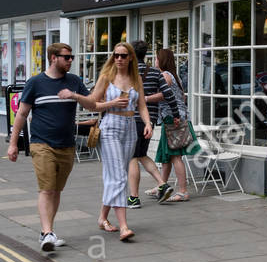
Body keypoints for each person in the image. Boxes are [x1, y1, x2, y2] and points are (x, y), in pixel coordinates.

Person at [62, 41, 152, 242]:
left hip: (130, 127)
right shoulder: (106, 77)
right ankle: (124, 227)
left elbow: (142, 105)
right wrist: (111, 103)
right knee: (120, 176)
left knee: (115, 175)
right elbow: (92, 104)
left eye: (123, 55)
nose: (119, 59)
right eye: (116, 55)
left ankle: (103, 217)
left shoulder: (136, 78)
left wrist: (148, 123)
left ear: (130, 58)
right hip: (110, 125)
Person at [8, 42, 88, 252]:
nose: (71, 60)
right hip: (41, 143)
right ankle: (46, 232)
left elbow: (90, 104)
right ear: (54, 58)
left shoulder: (74, 81)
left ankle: (48, 232)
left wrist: (74, 95)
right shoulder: (36, 82)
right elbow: (22, 114)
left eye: (71, 57)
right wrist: (14, 143)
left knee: (57, 190)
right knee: (47, 188)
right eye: (67, 57)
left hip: (67, 145)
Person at [127, 39, 172, 207]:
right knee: (141, 155)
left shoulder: (128, 73)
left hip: (131, 119)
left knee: (132, 157)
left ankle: (133, 197)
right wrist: (175, 113)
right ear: (145, 54)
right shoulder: (154, 72)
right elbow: (168, 94)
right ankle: (162, 183)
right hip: (149, 120)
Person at [154, 47, 199, 202]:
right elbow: (183, 98)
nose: (155, 61)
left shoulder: (165, 75)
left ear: (160, 60)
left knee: (175, 156)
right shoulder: (175, 76)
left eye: (156, 58)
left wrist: (145, 98)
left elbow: (163, 94)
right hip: (175, 117)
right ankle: (162, 186)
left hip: (173, 119)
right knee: (166, 156)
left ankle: (183, 191)